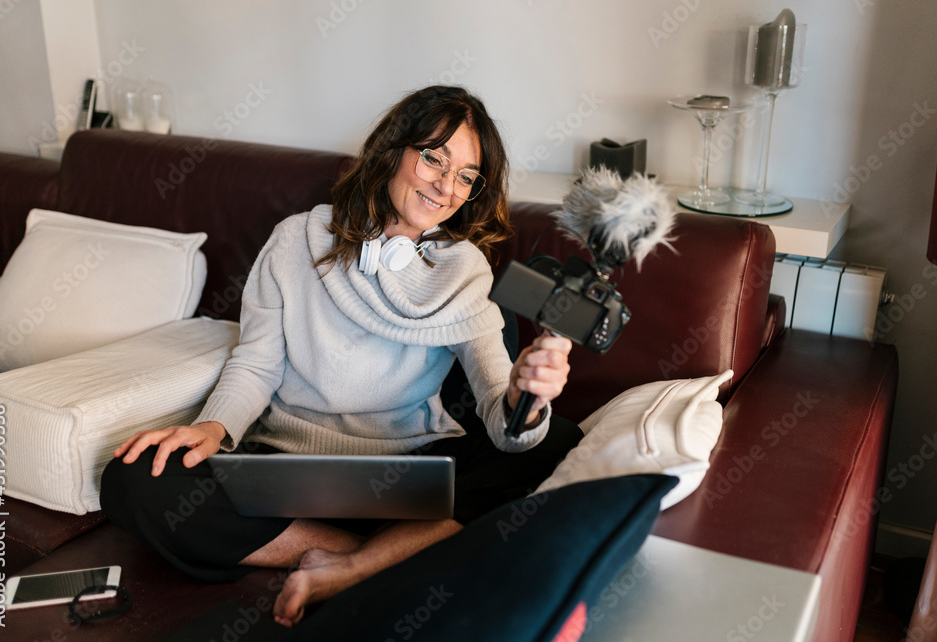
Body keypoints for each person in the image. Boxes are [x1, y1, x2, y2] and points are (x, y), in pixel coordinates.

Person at [100, 84, 582, 628]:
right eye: (434, 159)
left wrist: (526, 399)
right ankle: (389, 551)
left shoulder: (465, 269)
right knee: (132, 477)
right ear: (393, 150)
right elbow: (256, 362)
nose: (447, 186)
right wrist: (212, 428)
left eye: (466, 176)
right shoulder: (294, 241)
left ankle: (352, 568)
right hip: (287, 467)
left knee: (560, 443)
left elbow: (501, 413)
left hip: (410, 470)